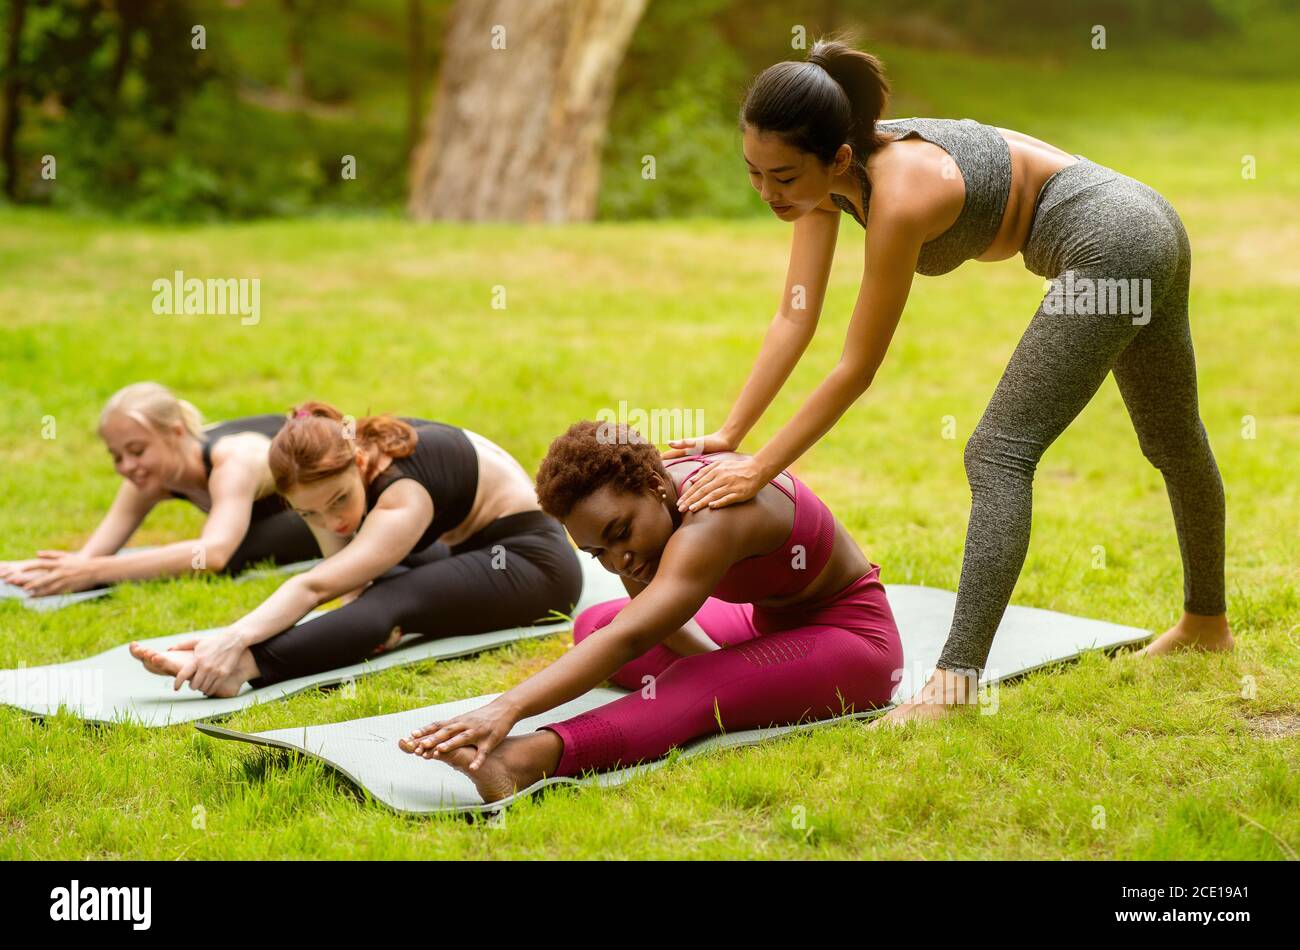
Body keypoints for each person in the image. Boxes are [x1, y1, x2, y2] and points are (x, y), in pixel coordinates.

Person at [655, 35, 1229, 724]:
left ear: (836, 157)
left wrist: (759, 471)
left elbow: (856, 366)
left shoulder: (896, 196)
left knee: (998, 451)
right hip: (1144, 221)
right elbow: (794, 319)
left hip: (1115, 240)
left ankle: (955, 685)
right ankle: (1206, 627)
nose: (766, 193)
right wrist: (730, 434)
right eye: (753, 172)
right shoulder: (828, 180)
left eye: (781, 177)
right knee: (1173, 437)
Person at [397, 420, 903, 804]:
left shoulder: (712, 519)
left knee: (688, 680)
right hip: (764, 623)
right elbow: (632, 623)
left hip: (854, 641)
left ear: (658, 488)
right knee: (593, 624)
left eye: (620, 534)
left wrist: (505, 709)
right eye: (598, 552)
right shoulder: (640, 506)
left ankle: (527, 760)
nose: (620, 560)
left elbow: (633, 637)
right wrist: (724, 661)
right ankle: (741, 675)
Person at [128, 402, 583, 697]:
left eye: (339, 500)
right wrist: (353, 619)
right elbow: (341, 570)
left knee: (393, 600)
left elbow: (315, 586)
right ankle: (247, 653)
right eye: (310, 514)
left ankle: (243, 668)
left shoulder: (403, 493)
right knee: (373, 593)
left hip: (533, 565)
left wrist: (236, 638)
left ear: (359, 463)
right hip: (462, 548)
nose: (332, 521)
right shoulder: (347, 450)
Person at [0, 382, 320, 595]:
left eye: (136, 451)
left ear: (175, 433)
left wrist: (93, 571)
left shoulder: (232, 462)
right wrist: (36, 569)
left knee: (235, 555)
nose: (126, 466)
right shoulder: (149, 473)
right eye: (117, 456)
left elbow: (213, 554)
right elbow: (91, 556)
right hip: (269, 516)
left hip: (331, 501)